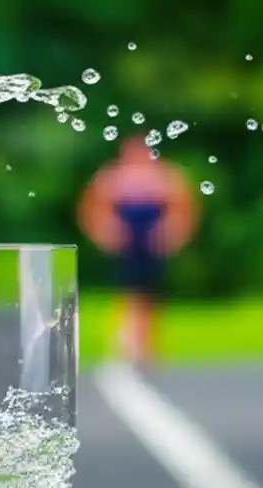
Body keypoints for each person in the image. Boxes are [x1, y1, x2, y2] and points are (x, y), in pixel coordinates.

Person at [77, 136, 197, 368]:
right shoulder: (113, 176)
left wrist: (174, 232)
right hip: (128, 237)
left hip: (152, 238)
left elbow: (184, 207)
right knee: (129, 290)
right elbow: (92, 206)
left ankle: (148, 343)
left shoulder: (165, 176)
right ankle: (126, 340)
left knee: (152, 291)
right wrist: (105, 231)